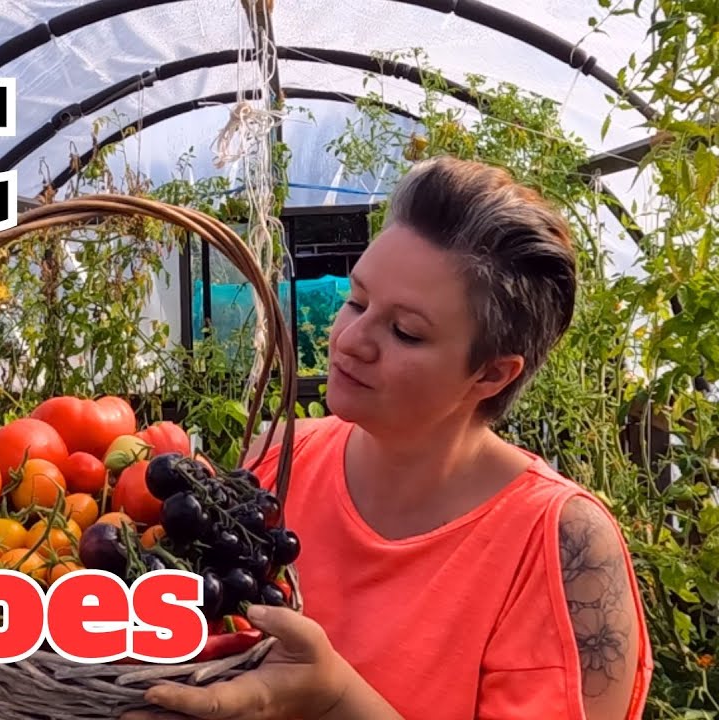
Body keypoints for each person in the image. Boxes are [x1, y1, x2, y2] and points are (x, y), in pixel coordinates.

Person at [121, 156, 653, 719]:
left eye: (405, 331)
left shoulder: (559, 548)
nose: (351, 339)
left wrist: (336, 703)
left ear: (492, 373)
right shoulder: (279, 460)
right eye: (356, 300)